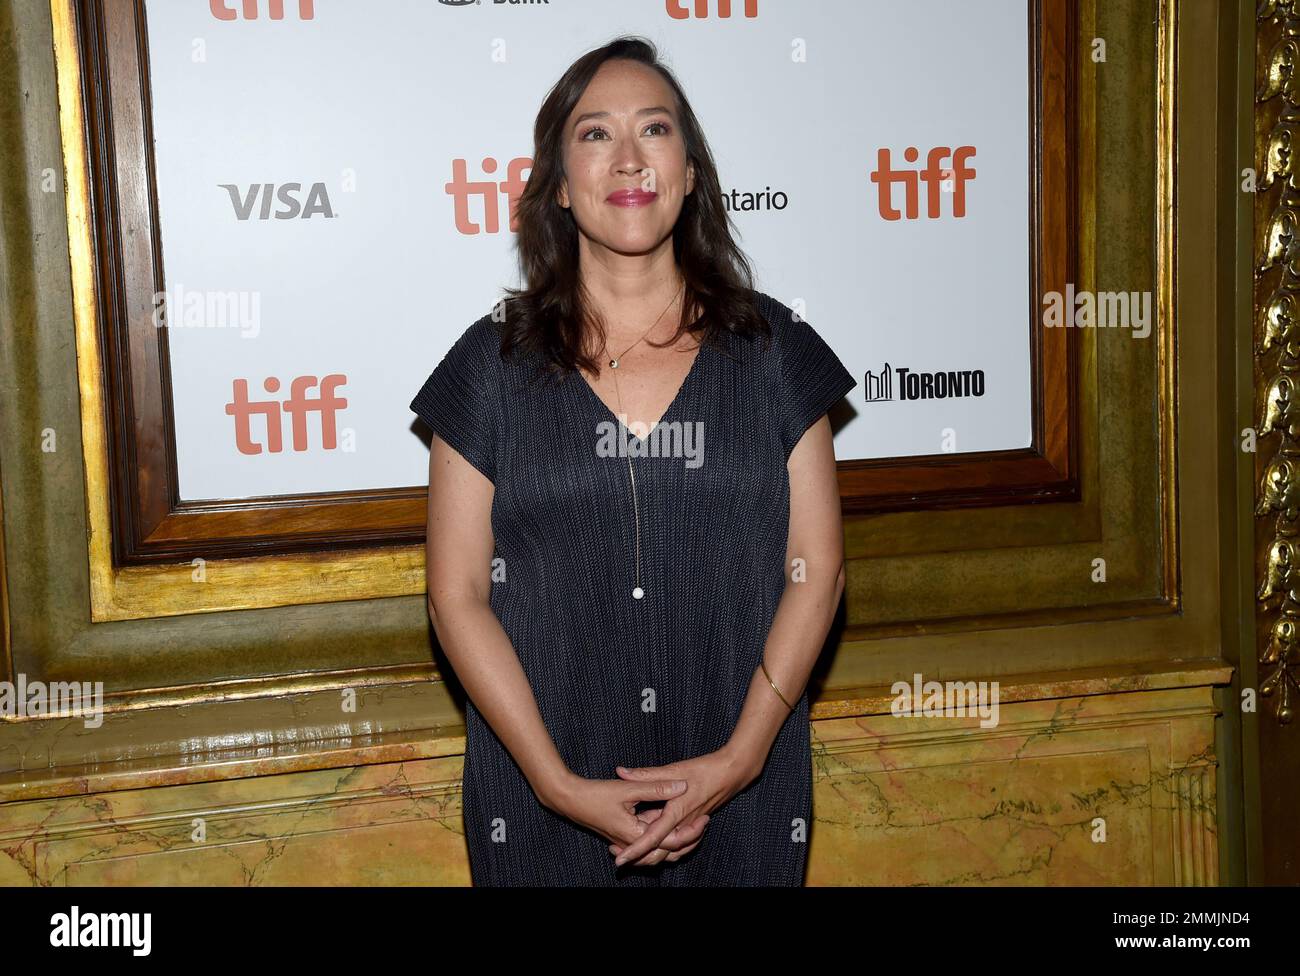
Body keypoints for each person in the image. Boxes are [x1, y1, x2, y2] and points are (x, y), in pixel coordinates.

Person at [410, 35, 856, 886]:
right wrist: (556, 784)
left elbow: (820, 573)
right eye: (593, 134)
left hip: (743, 793)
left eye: (654, 130)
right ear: (560, 187)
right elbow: (456, 596)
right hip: (544, 808)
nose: (627, 157)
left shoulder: (774, 353)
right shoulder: (488, 368)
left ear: (689, 174)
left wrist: (739, 761)